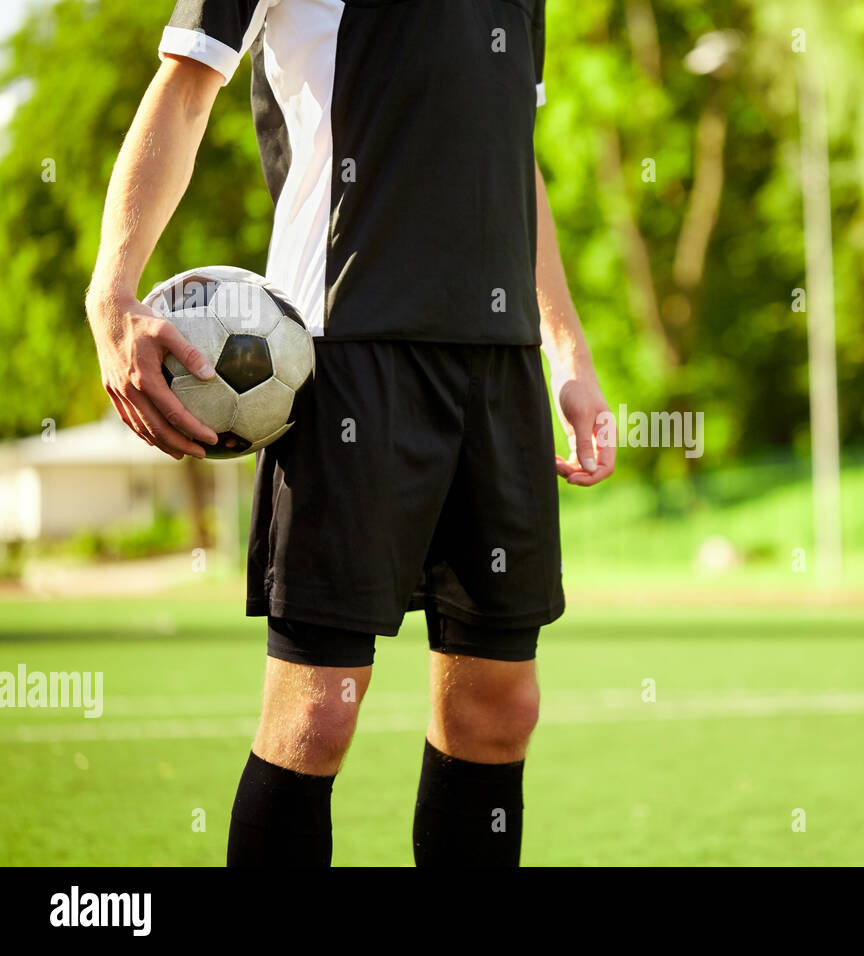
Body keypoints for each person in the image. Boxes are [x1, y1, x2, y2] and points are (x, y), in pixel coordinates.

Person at [84, 0, 614, 867]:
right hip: (343, 354)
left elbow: (513, 155)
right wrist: (113, 293)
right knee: (316, 716)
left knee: (499, 712)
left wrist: (566, 350)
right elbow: (185, 86)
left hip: (499, 362)